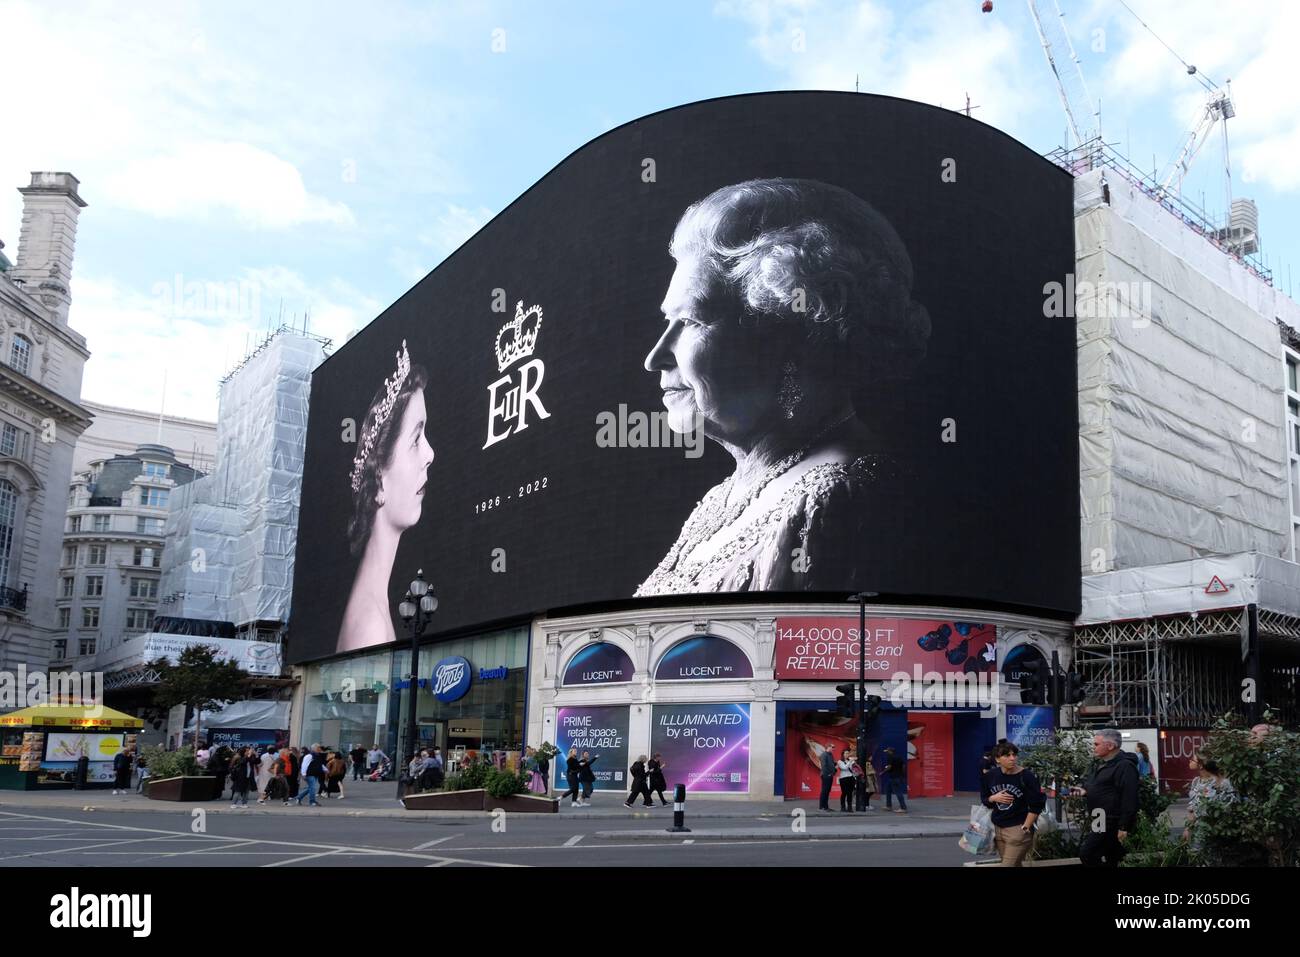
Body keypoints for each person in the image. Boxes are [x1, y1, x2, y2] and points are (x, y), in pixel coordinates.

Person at [635, 178, 928, 596]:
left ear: (789, 336)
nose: (656, 357)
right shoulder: (719, 501)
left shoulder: (840, 495)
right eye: (668, 322)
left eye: (693, 322)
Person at [337, 341, 434, 652]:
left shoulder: (370, 607)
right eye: (416, 438)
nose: (430, 454)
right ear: (378, 480)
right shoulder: (372, 628)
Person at [1071, 729, 1139, 867]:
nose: (1093, 747)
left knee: (1088, 853)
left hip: (1110, 819)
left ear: (1110, 746)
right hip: (1099, 817)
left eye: (1096, 744)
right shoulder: (1103, 764)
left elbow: (1129, 797)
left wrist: (1124, 826)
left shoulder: (1125, 766)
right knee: (1112, 856)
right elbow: (1101, 788)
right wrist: (1085, 791)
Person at [980, 741, 1046, 866]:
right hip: (998, 828)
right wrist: (993, 798)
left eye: (1014, 755)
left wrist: (1025, 827)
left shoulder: (1027, 776)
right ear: (997, 759)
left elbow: (1037, 804)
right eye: (1007, 755)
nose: (1012, 758)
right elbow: (985, 800)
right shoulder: (990, 776)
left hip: (1018, 829)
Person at [1181, 750, 1235, 848]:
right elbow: (1192, 807)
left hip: (1218, 832)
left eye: (1193, 760)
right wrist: (1187, 829)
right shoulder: (1196, 781)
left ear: (1201, 765)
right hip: (1199, 832)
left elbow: (1229, 806)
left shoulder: (1222, 783)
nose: (1190, 761)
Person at [881, 747, 908, 812]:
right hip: (897, 777)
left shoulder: (890, 757)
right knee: (888, 791)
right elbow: (903, 766)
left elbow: (889, 767)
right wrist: (902, 775)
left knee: (898, 792)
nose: (887, 753)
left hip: (893, 777)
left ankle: (903, 808)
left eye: (887, 751)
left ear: (890, 751)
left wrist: (883, 772)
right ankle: (888, 806)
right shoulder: (899, 757)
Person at [837, 748, 856, 813]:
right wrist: (850, 762)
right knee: (844, 793)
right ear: (843, 754)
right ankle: (843, 807)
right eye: (846, 753)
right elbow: (844, 768)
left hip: (851, 778)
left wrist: (853, 762)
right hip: (843, 778)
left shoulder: (850, 760)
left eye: (848, 753)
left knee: (850, 793)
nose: (847, 754)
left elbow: (853, 769)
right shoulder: (840, 761)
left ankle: (849, 807)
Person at [818, 744, 836, 812]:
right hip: (826, 775)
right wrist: (827, 774)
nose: (833, 749)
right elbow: (824, 766)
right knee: (824, 791)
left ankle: (826, 807)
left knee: (827, 791)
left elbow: (831, 764)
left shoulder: (830, 755)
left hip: (830, 775)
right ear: (828, 747)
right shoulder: (824, 755)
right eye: (832, 747)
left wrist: (835, 765)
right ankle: (821, 807)